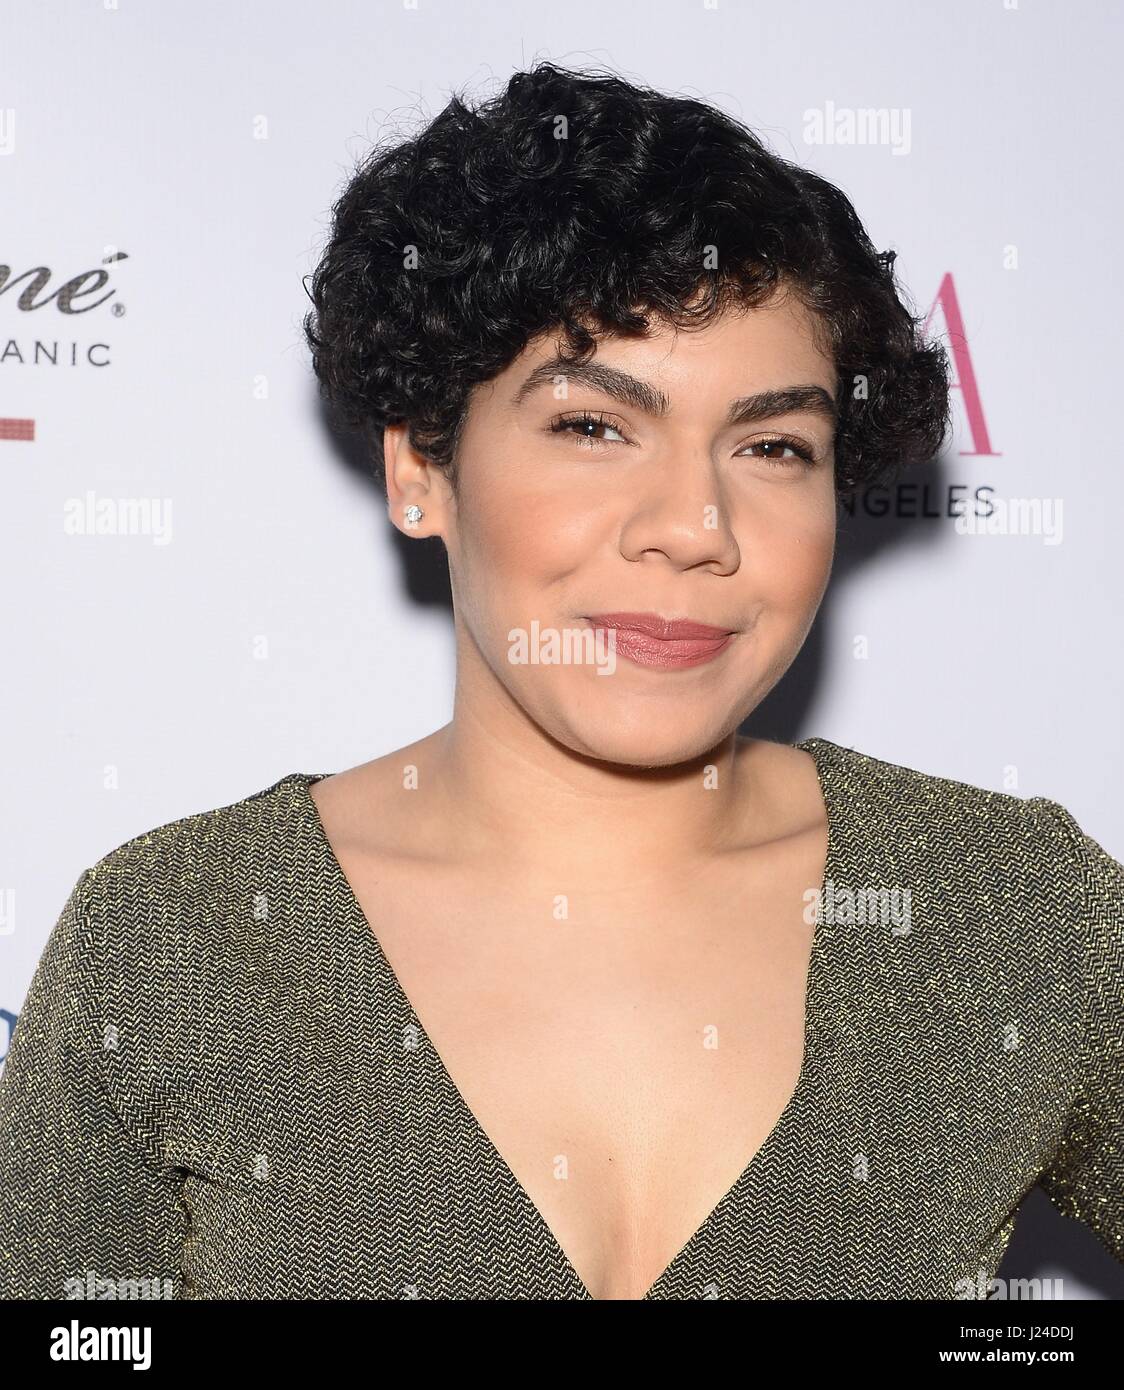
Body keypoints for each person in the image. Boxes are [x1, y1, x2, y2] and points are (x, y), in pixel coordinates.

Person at [1, 62, 1120, 1302]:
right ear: (422, 468)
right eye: (593, 425)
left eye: (770, 445)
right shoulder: (174, 942)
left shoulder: (1009, 911)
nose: (693, 524)